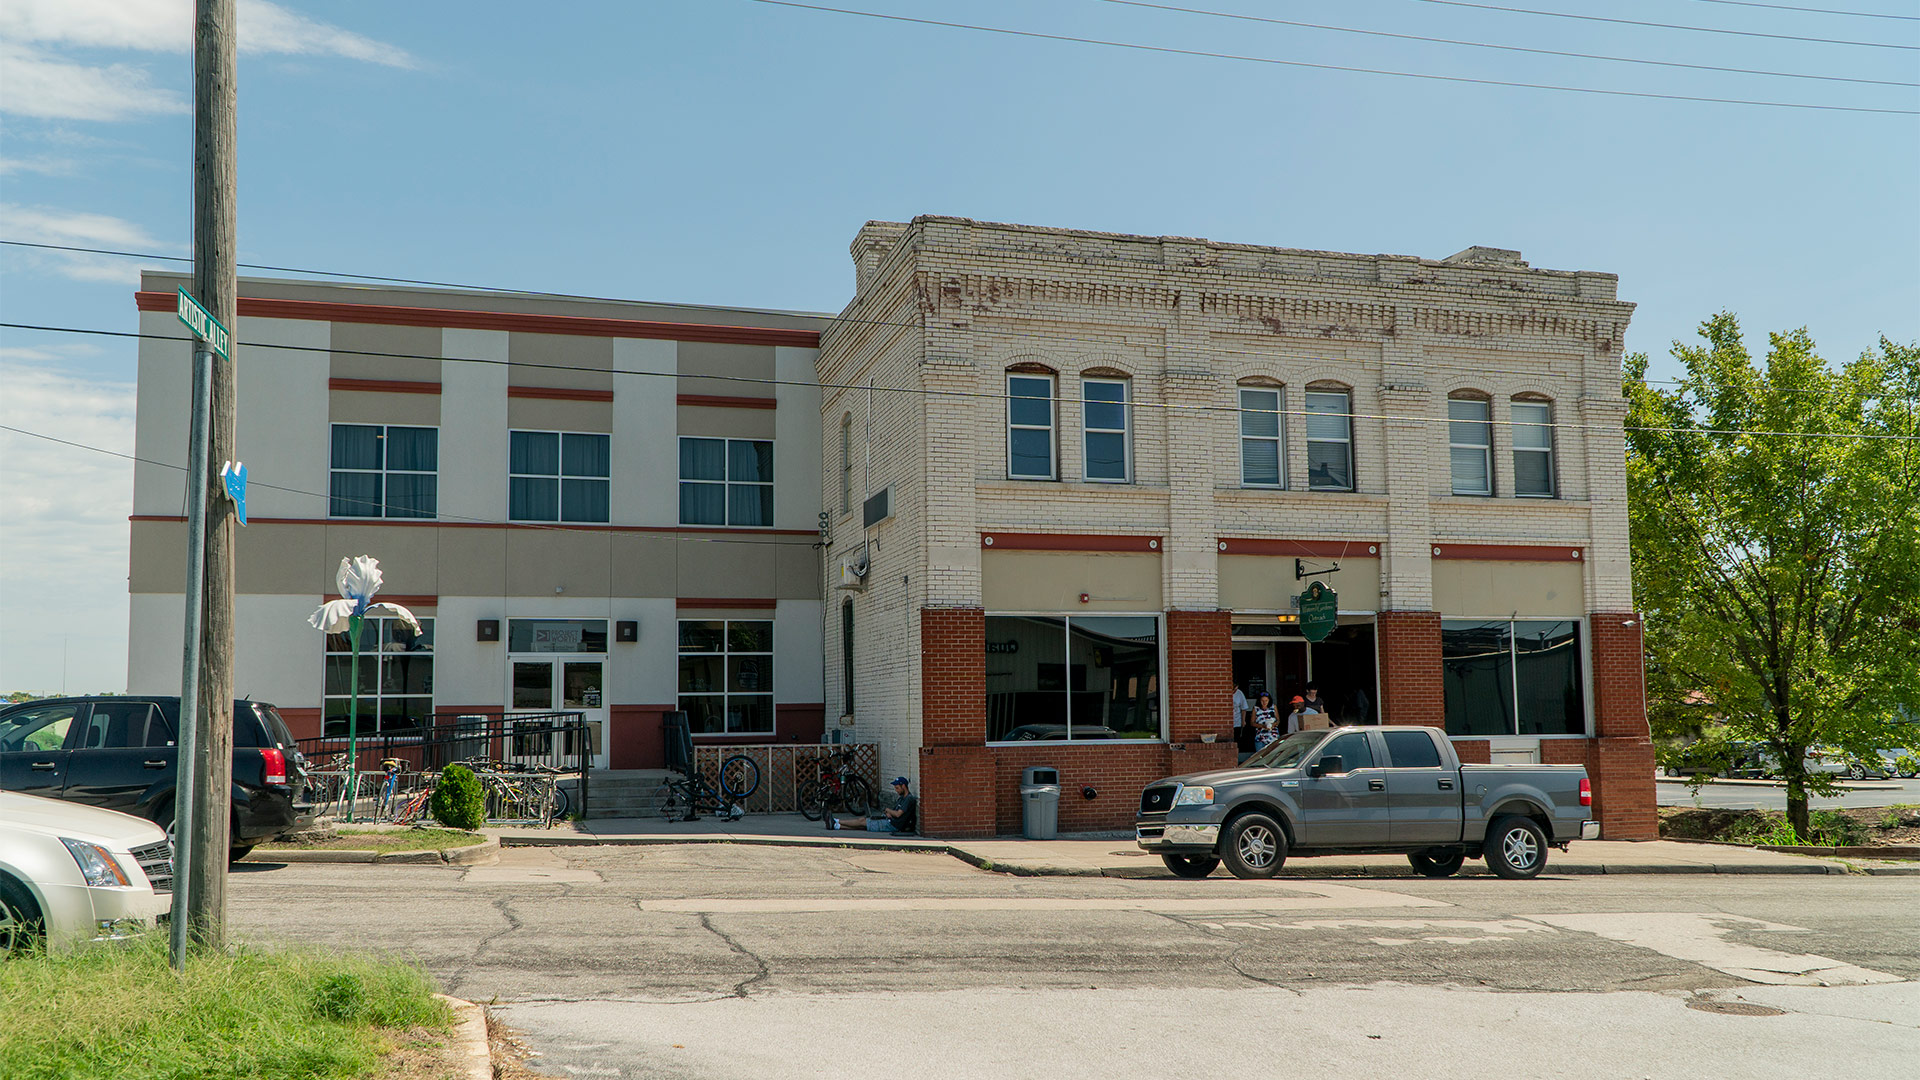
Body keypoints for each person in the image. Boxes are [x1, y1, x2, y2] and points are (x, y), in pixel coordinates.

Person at [828, 776, 917, 833]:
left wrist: (887, 810)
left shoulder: (908, 799)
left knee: (863, 821)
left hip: (893, 825)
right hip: (890, 821)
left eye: (897, 788)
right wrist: (889, 814)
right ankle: (837, 826)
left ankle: (837, 821)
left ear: (903, 786)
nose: (896, 790)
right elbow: (896, 812)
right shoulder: (901, 798)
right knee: (863, 825)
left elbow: (898, 814)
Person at [1232, 682, 1252, 753]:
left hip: (1237, 721)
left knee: (1236, 740)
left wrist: (1243, 721)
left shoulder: (1239, 693)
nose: (1233, 691)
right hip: (1227, 722)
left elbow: (1244, 708)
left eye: (1234, 689)